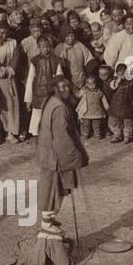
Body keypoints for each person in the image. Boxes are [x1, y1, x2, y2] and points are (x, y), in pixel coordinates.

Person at [35, 74, 89, 238]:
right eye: (62, 87)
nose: (67, 90)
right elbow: (62, 137)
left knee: (53, 187)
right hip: (55, 156)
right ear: (54, 90)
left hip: (49, 154)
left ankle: (49, 218)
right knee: (54, 188)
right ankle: (47, 222)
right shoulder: (59, 107)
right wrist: (76, 157)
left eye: (67, 86)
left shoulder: (53, 102)